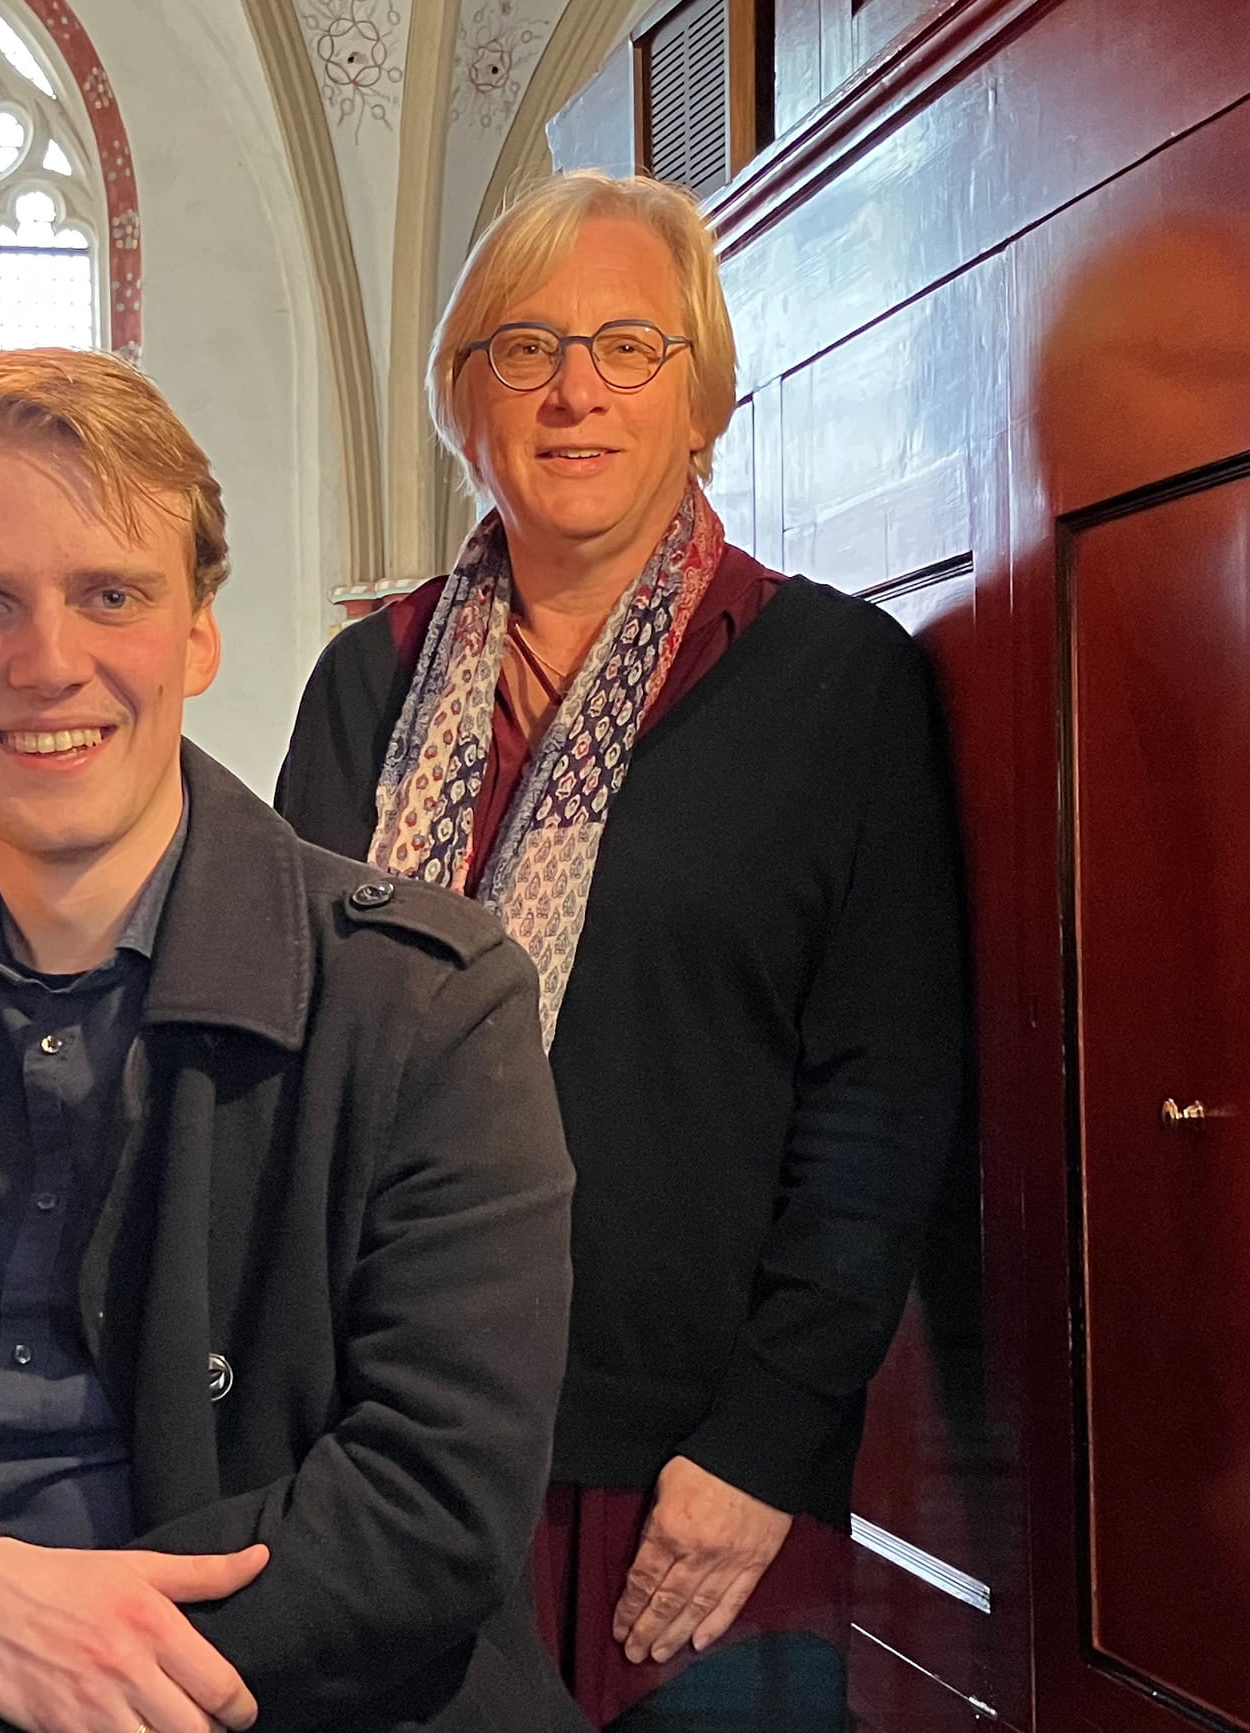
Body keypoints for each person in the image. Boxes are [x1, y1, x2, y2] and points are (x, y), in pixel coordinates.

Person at [0, 348, 586, 1733]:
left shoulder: (430, 1003)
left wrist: (69, 1663)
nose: (49, 663)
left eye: (111, 593)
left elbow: (432, 1499)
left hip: (307, 1697)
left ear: (196, 632)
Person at [274, 171, 970, 1731]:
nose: (574, 387)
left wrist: (763, 1446)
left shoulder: (834, 687)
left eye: (627, 345)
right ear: (466, 398)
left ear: (705, 392)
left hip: (703, 1487)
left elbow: (880, 1105)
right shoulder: (360, 690)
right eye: (525, 347)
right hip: (388, 1454)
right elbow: (288, 1059)